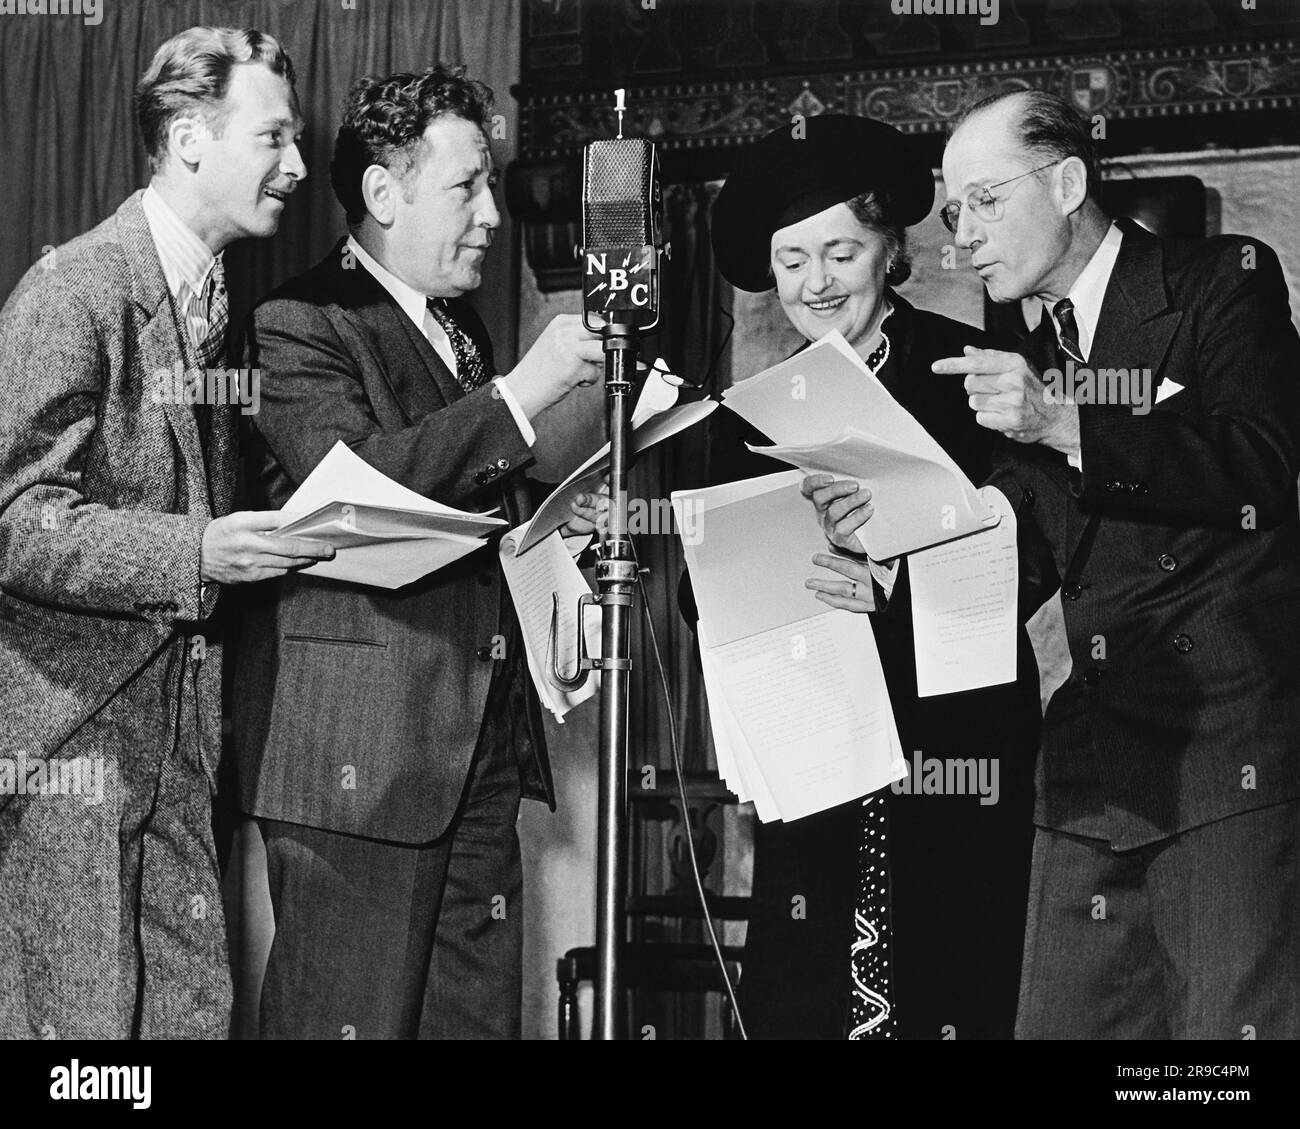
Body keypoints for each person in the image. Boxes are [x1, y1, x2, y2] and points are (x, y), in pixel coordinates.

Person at [814, 88, 1300, 1038]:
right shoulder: (1023, 340)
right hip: (1084, 764)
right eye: (954, 212)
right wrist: (892, 560)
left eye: (987, 201)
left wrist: (1063, 420)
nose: (964, 237)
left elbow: (1267, 462)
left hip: (1223, 753)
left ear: (1070, 182)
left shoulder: (1219, 282)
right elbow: (1024, 540)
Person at [233, 65, 607, 1040]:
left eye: (487, 183)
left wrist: (554, 522)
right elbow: (357, 486)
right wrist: (523, 395)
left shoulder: (459, 328)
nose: (490, 212)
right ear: (384, 195)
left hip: (474, 744)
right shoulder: (292, 325)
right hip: (360, 763)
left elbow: (469, 498)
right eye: (466, 187)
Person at [0, 26, 330, 1039]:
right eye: (273, 136)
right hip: (72, 760)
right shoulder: (77, 288)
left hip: (182, 758)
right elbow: (14, 521)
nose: (299, 166)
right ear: (189, 138)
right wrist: (194, 554)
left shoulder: (217, 306)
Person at [696, 114, 1040, 1040]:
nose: (815, 282)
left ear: (891, 253)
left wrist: (893, 579)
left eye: (841, 252)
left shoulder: (972, 378)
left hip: (954, 742)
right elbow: (715, 589)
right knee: (808, 998)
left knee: (951, 991)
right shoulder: (746, 418)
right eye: (793, 259)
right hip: (817, 748)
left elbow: (1035, 561)